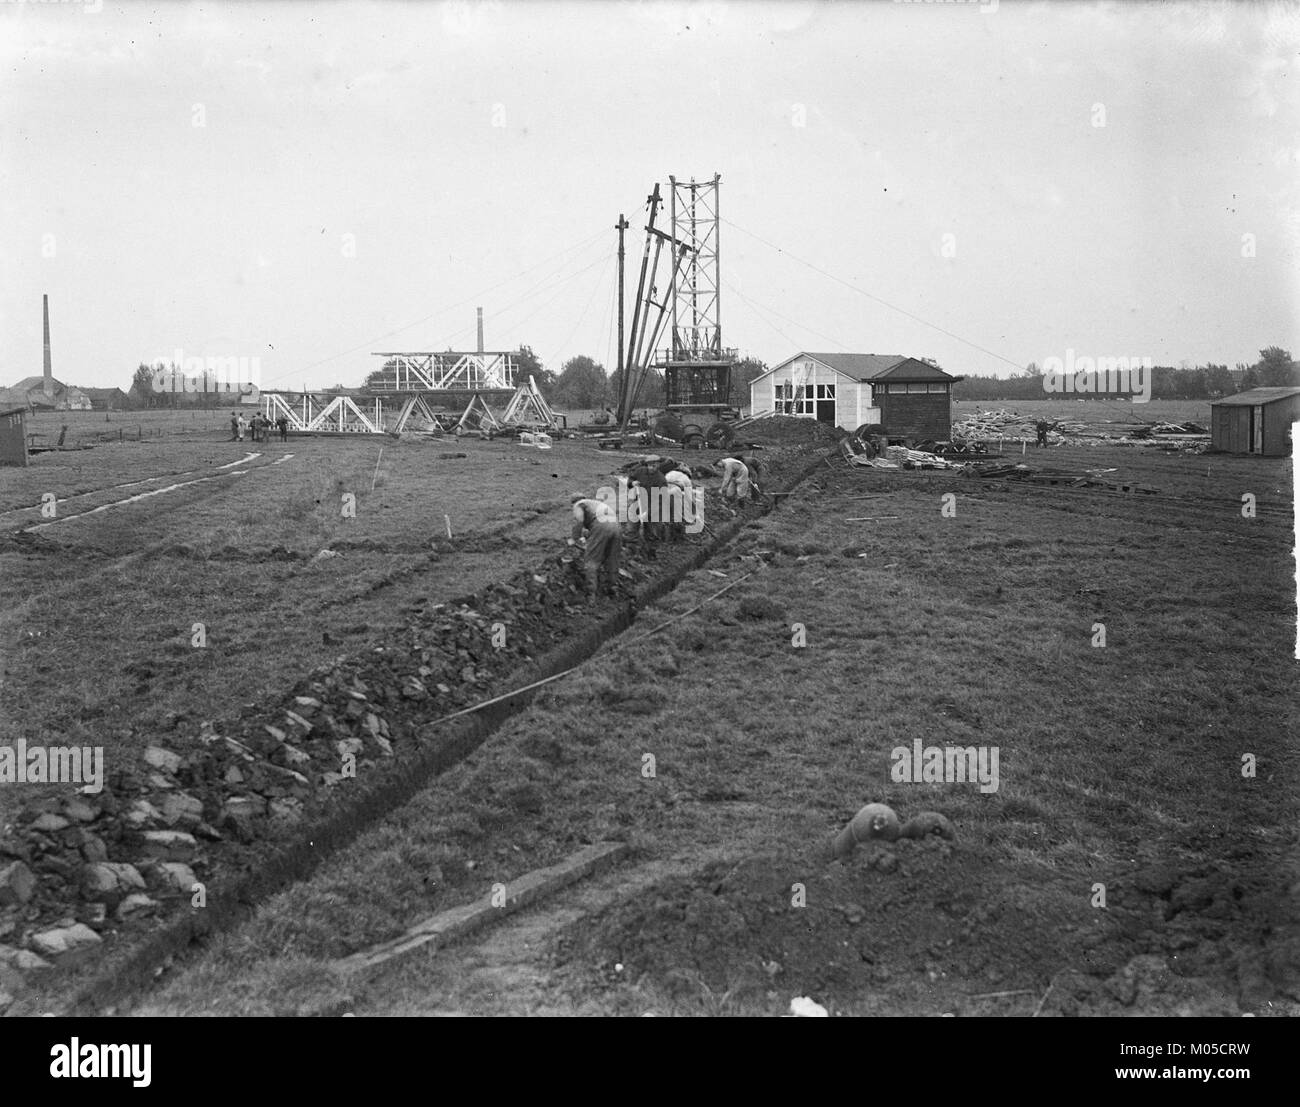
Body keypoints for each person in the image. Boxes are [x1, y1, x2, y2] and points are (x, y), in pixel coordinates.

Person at [569, 494, 621, 600]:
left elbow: (579, 521)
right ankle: (613, 588)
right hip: (616, 527)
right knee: (612, 559)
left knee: (591, 560)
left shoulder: (579, 505)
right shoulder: (595, 504)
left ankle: (590, 594)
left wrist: (574, 538)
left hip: (602, 527)